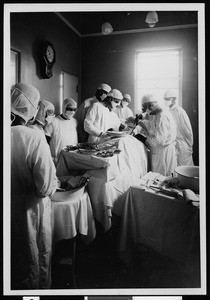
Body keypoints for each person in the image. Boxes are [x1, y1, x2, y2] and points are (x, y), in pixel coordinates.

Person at [11, 83, 58, 289]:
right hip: (30, 213)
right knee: (32, 264)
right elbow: (45, 187)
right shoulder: (33, 137)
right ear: (31, 108)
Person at [138, 93, 177, 176]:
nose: (147, 112)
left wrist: (143, 139)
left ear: (152, 105)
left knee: (162, 179)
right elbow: (153, 125)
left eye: (146, 109)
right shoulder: (158, 114)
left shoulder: (162, 116)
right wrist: (142, 123)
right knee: (157, 178)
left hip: (163, 153)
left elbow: (157, 140)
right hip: (159, 151)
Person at [163, 89, 194, 166]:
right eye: (164, 99)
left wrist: (189, 146)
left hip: (182, 145)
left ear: (173, 99)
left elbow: (188, 131)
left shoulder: (180, 111)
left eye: (167, 99)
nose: (165, 101)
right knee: (175, 169)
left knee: (185, 169)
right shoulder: (168, 111)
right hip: (173, 144)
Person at [45, 98, 78, 165]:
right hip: (57, 159)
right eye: (69, 109)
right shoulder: (54, 122)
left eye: (74, 109)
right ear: (64, 107)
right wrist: (50, 158)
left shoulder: (74, 122)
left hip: (72, 157)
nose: (72, 112)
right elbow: (46, 141)